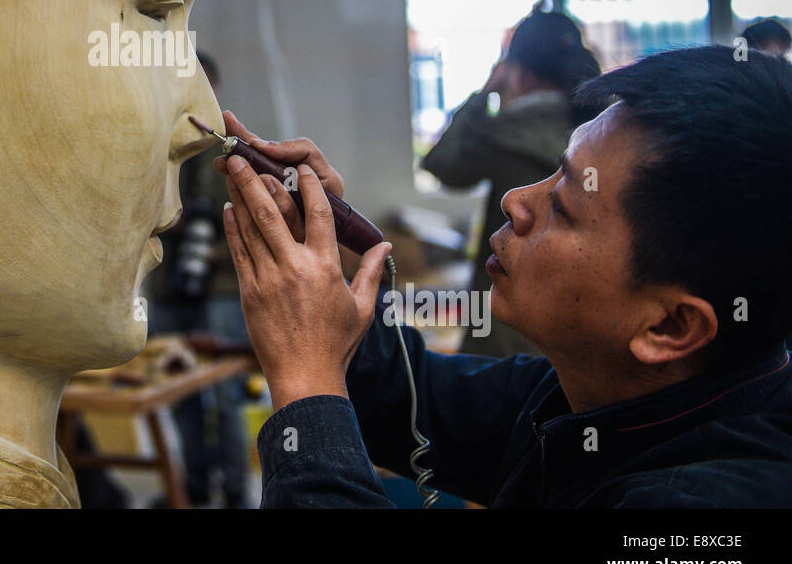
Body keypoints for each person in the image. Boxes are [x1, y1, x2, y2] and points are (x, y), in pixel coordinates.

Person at [217, 45, 792, 507]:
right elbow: (406, 397)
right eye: (554, 174)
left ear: (670, 326)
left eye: (563, 207)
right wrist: (325, 266)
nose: (516, 200)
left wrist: (306, 385)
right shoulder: (588, 398)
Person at [421, 9, 600, 357]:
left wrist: (484, 94)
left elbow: (441, 164)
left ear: (517, 71)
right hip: (580, 312)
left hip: (508, 318)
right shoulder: (598, 127)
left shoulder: (503, 133)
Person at [147, 52, 251, 507]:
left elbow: (256, 224)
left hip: (219, 291)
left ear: (215, 90)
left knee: (224, 397)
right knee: (178, 393)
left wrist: (215, 250)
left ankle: (234, 492)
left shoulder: (230, 149)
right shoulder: (154, 143)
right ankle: (193, 488)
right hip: (167, 287)